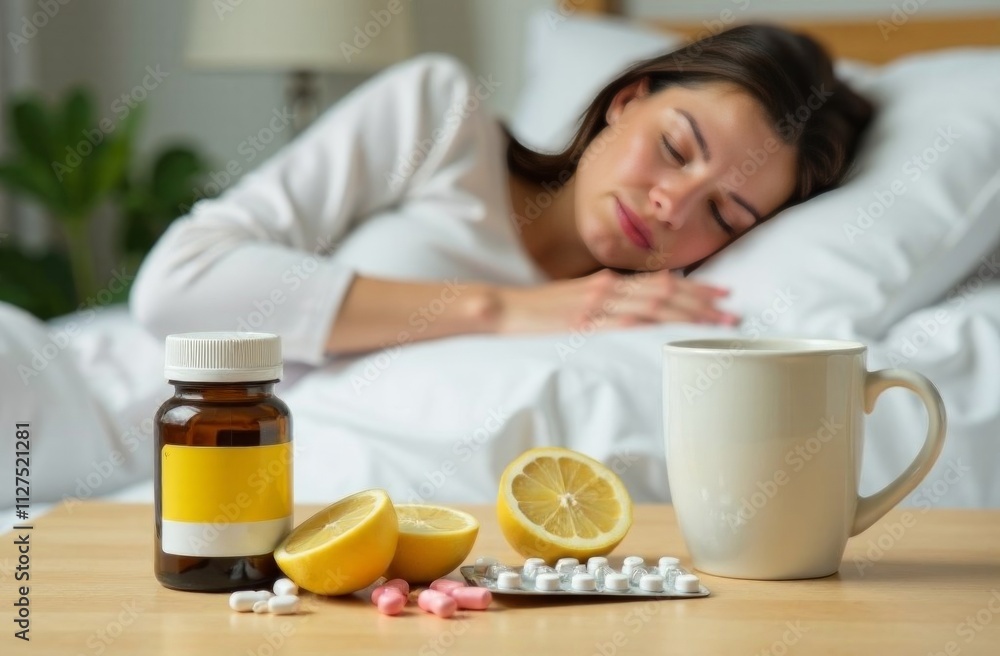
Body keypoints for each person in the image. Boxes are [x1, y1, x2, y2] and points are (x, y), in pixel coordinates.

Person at [131, 24, 873, 363]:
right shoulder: (440, 116)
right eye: (676, 148)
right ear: (627, 99)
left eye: (724, 212)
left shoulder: (641, 333)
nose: (671, 207)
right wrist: (500, 309)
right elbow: (175, 288)